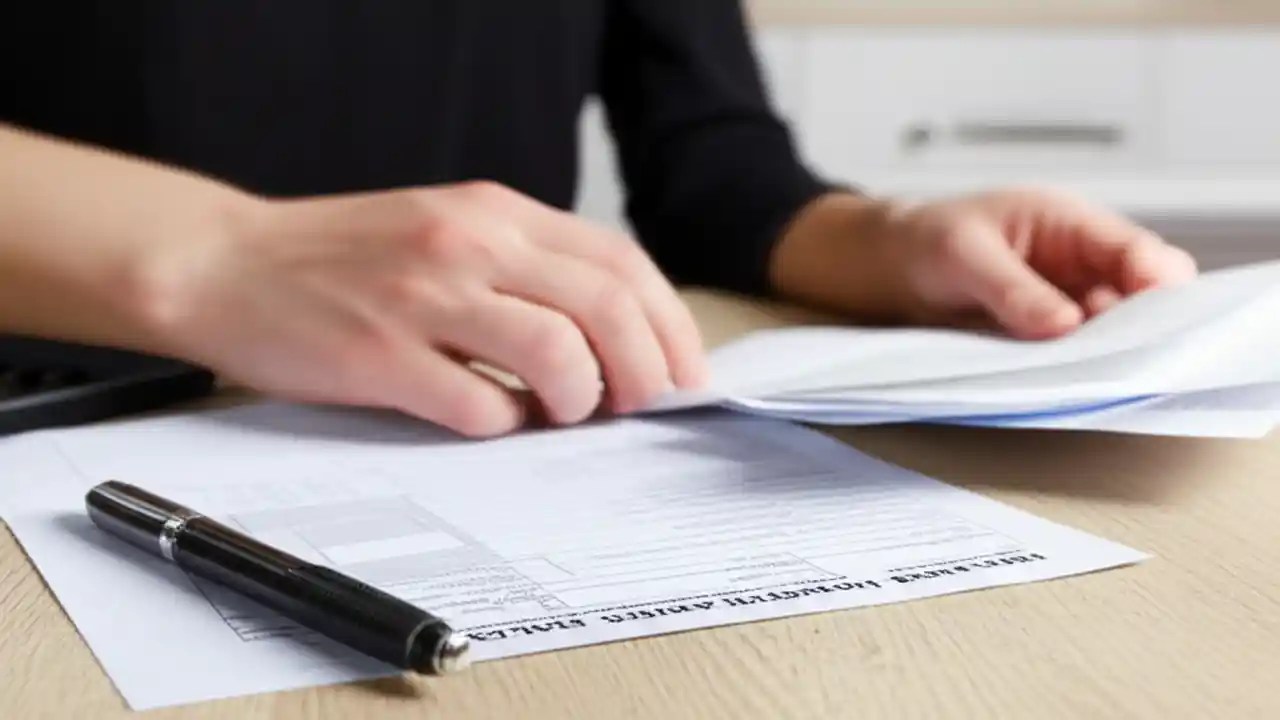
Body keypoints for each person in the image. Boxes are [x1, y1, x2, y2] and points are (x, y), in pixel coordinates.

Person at [0, 2, 1196, 437]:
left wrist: (885, 239)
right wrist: (216, 258)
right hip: (51, 438)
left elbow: (710, 163)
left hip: (483, 444)